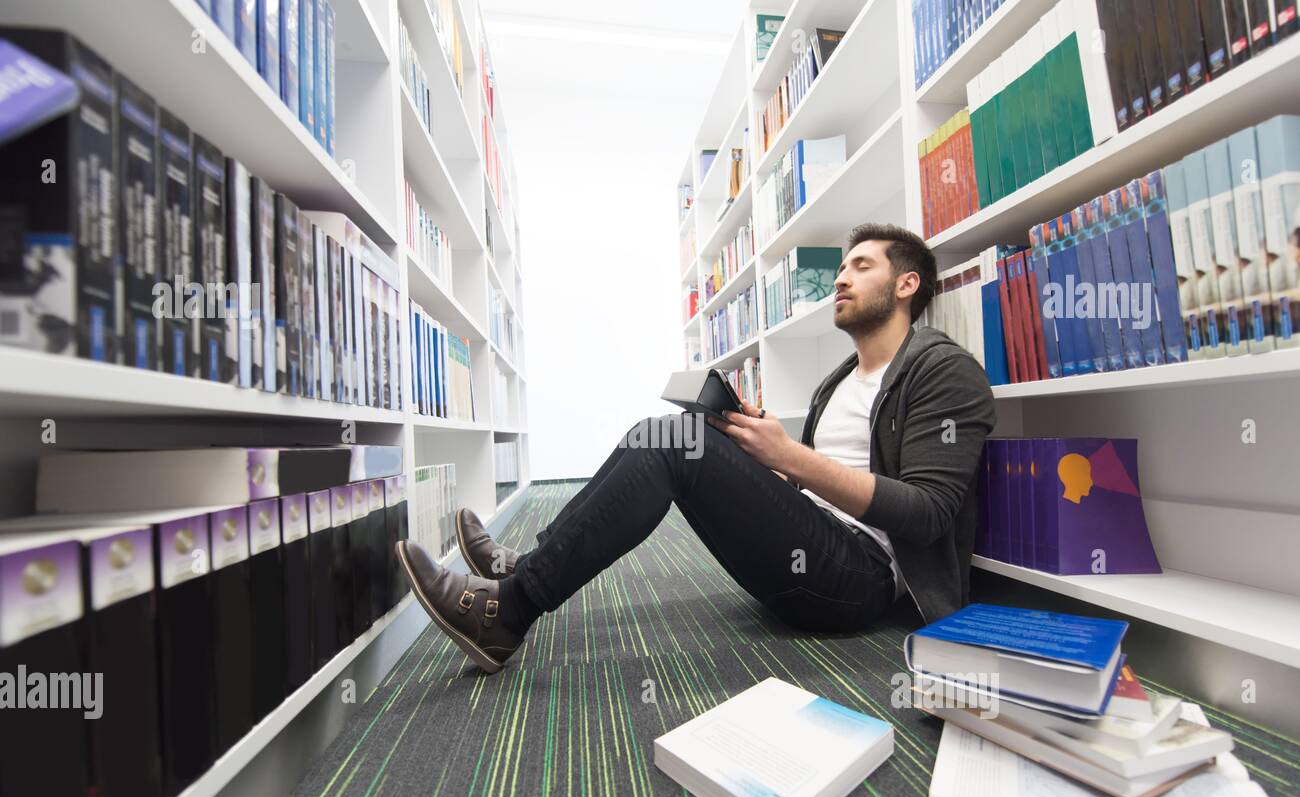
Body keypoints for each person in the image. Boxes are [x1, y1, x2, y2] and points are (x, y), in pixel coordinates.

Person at [396, 223, 996, 674]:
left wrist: (790, 457)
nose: (840, 278)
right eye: (842, 267)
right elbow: (816, 485)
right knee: (678, 431)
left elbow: (927, 514)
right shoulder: (838, 381)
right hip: (817, 548)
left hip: (860, 582)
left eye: (861, 267)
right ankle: (523, 567)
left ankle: (507, 613)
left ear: (906, 284)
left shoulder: (943, 371)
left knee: (670, 441)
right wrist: (759, 449)